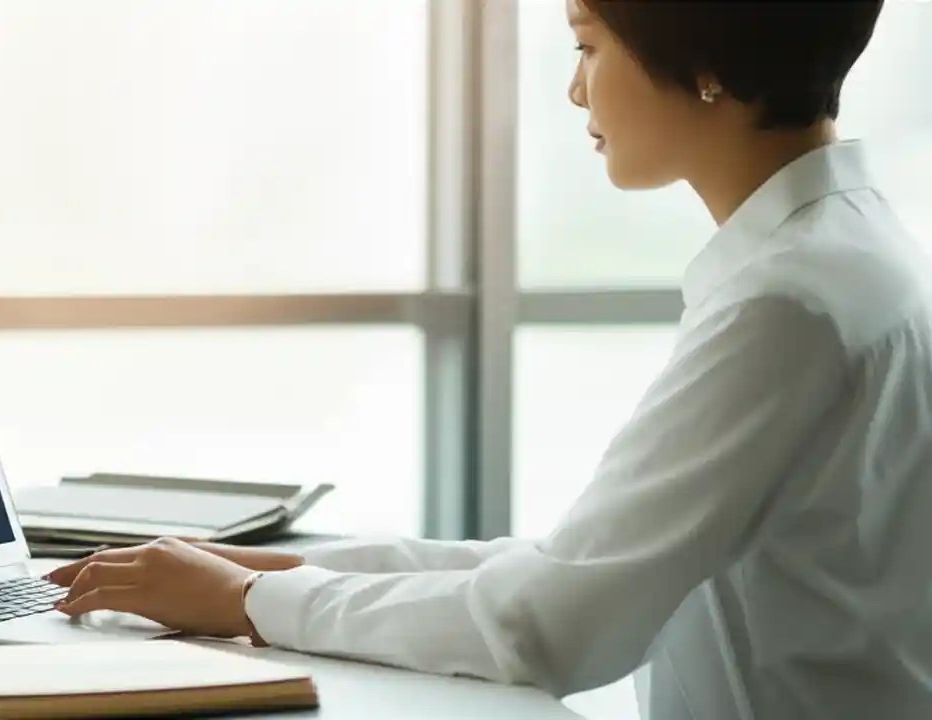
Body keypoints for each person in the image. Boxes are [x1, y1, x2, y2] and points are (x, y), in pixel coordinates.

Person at [48, 1, 932, 717]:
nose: (576, 91)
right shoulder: (845, 252)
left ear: (706, 66)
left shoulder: (784, 303)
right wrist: (296, 573)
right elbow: (589, 563)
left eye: (587, 45)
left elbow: (560, 625)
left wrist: (246, 604)